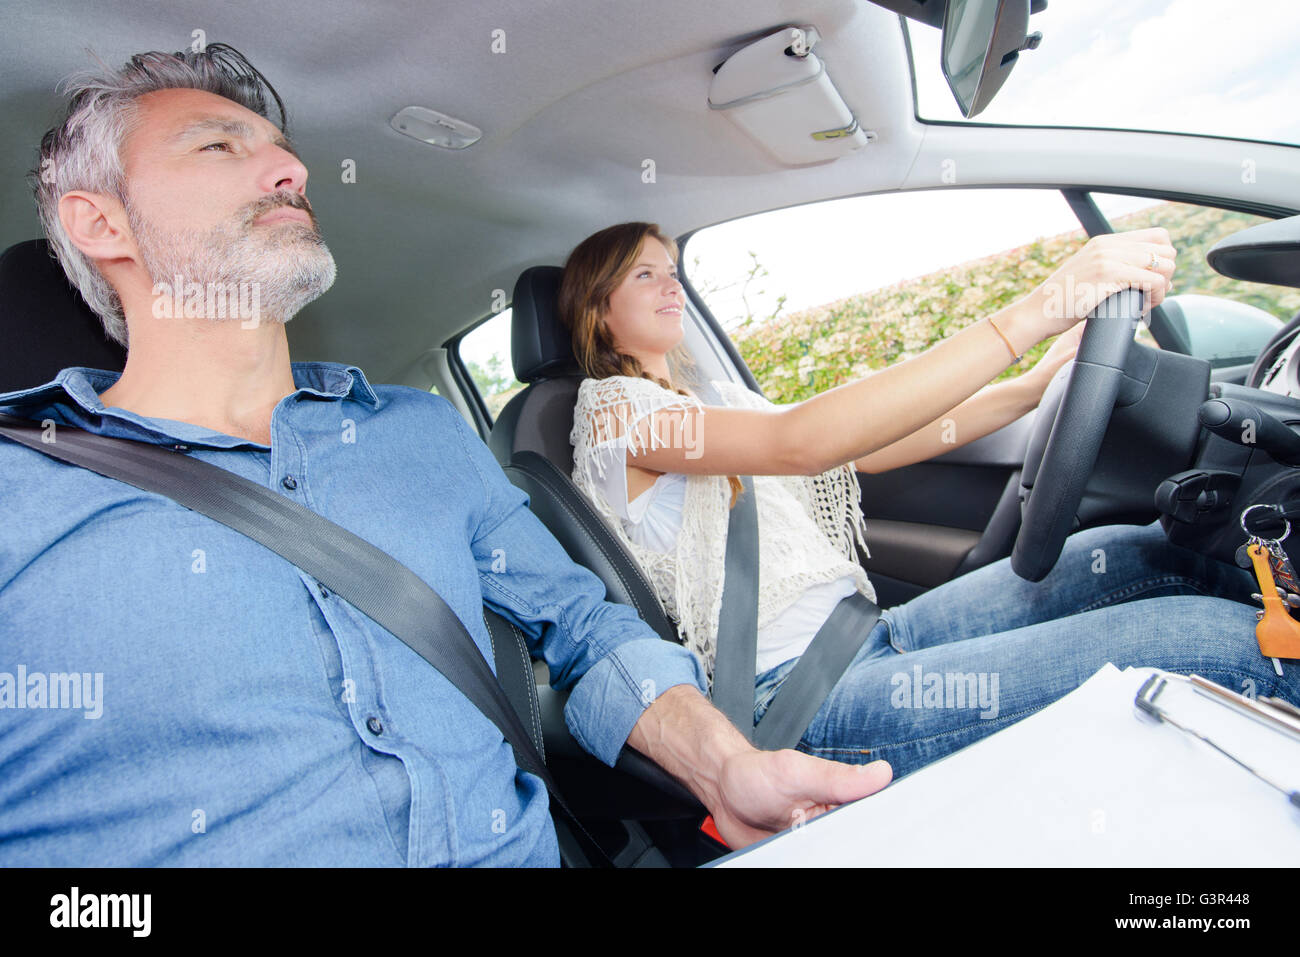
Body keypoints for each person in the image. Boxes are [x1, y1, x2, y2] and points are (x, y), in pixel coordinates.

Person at [0, 44, 894, 866]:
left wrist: (722, 763)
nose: (294, 170)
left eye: (281, 148)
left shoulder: (419, 436)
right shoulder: (22, 490)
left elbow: (586, 630)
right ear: (100, 221)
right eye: (219, 148)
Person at [558, 221, 1300, 778]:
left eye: (673, 269)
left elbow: (867, 448)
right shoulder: (612, 413)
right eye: (645, 275)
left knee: (1138, 552)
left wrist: (1034, 387)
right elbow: (802, 441)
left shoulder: (710, 397)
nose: (671, 284)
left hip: (869, 636)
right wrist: (1034, 309)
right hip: (804, 700)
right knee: (1211, 642)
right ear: (598, 311)